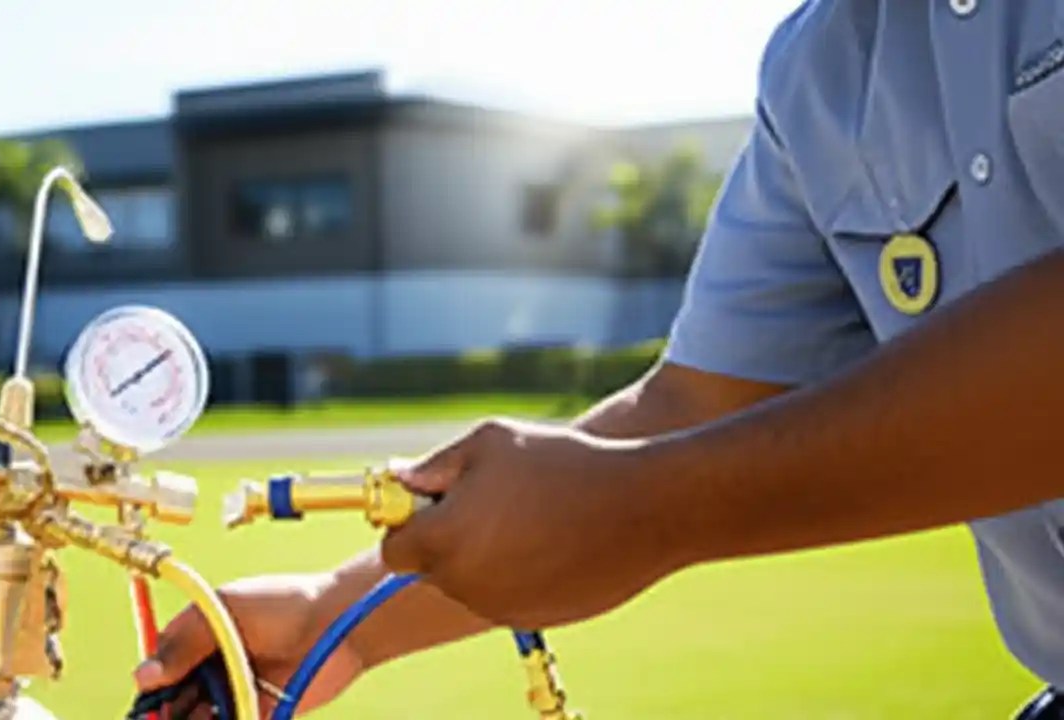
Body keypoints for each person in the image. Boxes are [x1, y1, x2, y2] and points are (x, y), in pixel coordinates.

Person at [135, 1, 1064, 716]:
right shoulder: (822, 74)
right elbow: (695, 403)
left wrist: (651, 508)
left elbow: (651, 475)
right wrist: (334, 614)